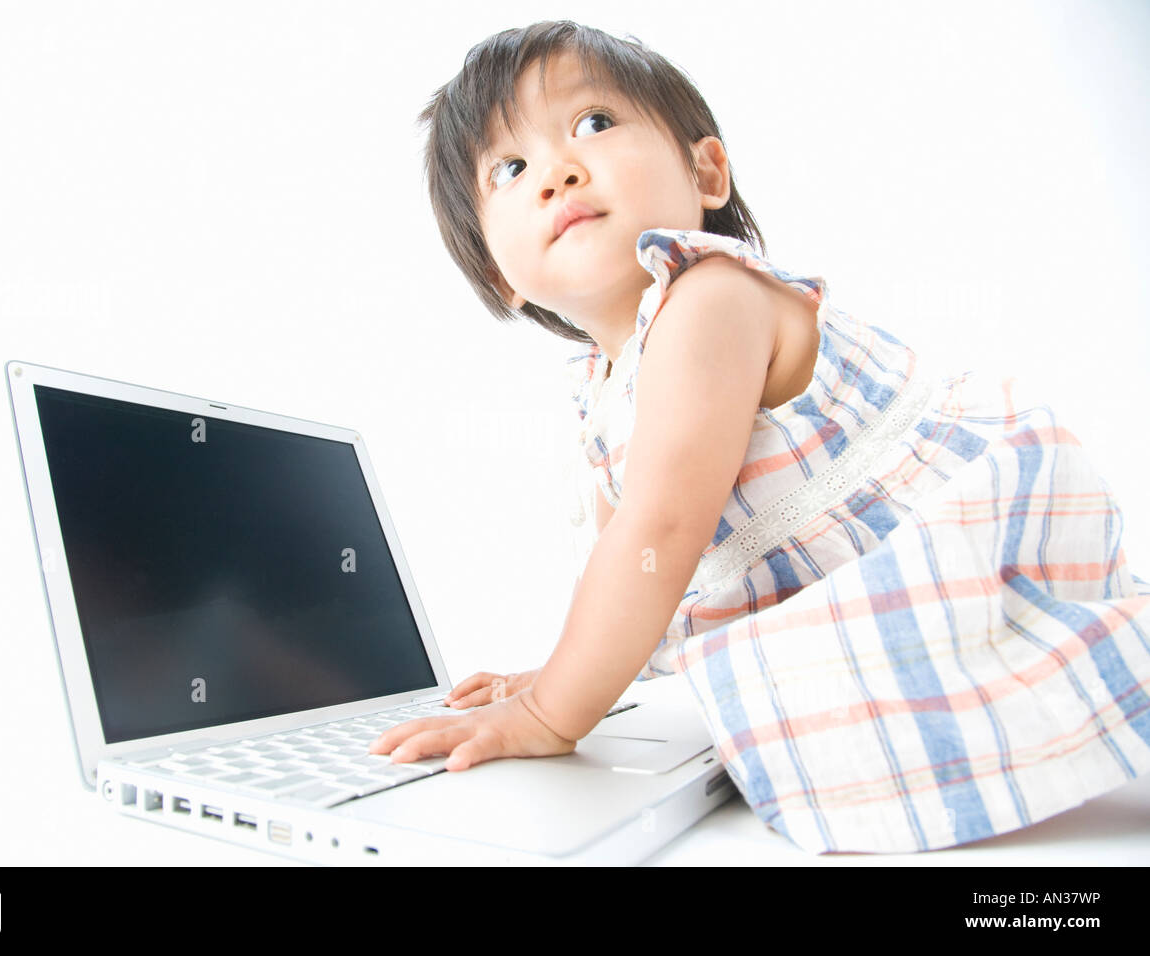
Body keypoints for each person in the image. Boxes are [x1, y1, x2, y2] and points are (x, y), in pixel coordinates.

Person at [368, 20, 1150, 854]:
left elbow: (660, 534)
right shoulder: (604, 390)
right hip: (863, 615)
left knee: (1060, 694)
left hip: (951, 568)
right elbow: (623, 569)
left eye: (593, 123)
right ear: (499, 274)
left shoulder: (708, 299)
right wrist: (562, 672)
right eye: (511, 169)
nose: (558, 171)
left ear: (705, 171)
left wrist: (549, 713)